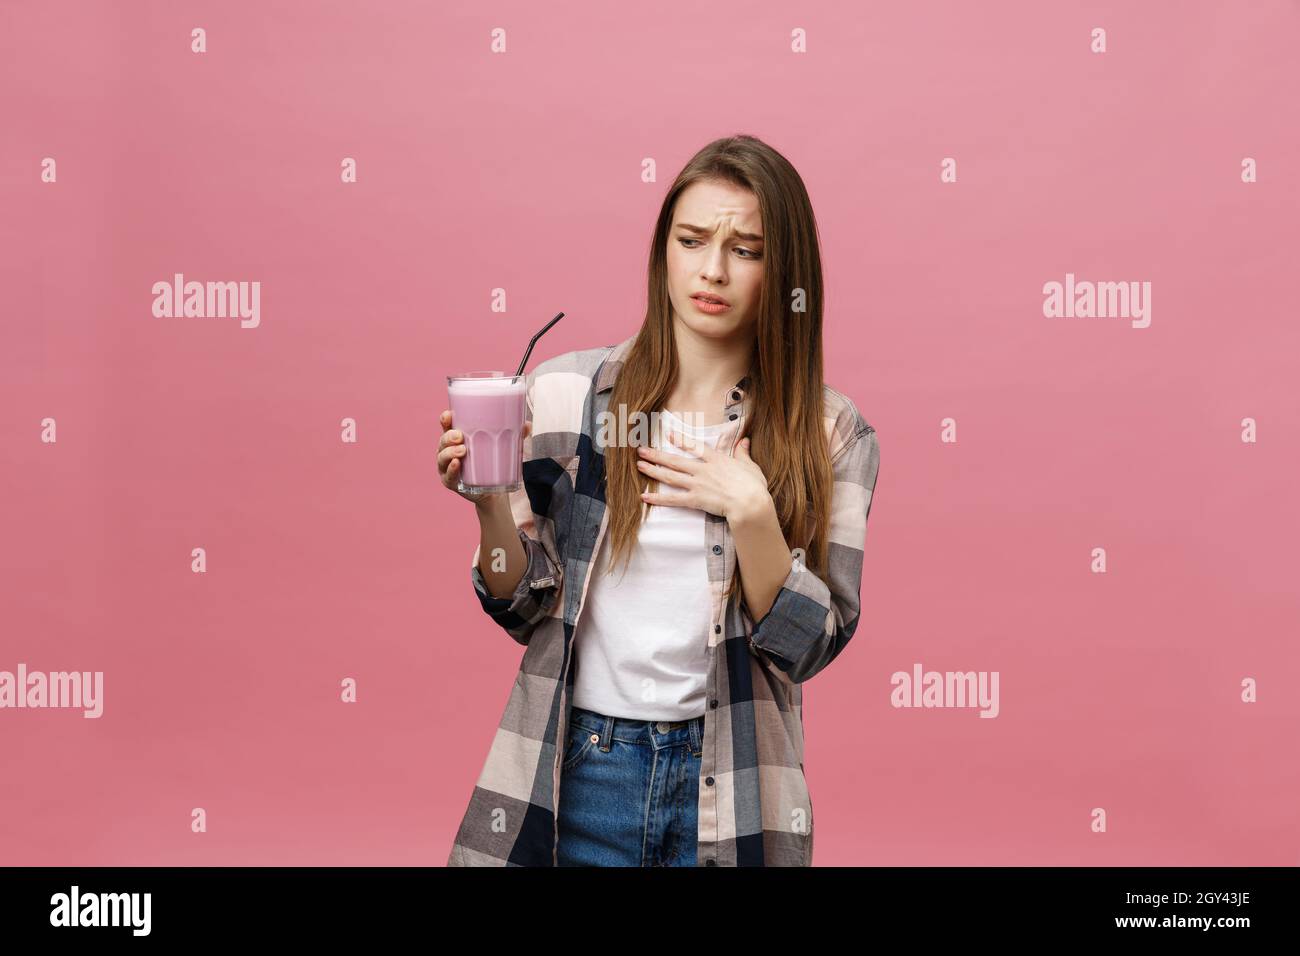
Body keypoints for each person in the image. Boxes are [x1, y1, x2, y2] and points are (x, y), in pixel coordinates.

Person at [439, 134, 881, 867]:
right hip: (583, 771)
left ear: (785, 270)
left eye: (746, 249)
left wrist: (753, 516)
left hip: (733, 785)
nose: (712, 269)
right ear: (662, 251)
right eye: (692, 239)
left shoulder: (832, 433)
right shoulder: (566, 396)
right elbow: (522, 606)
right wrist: (487, 499)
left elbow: (808, 648)